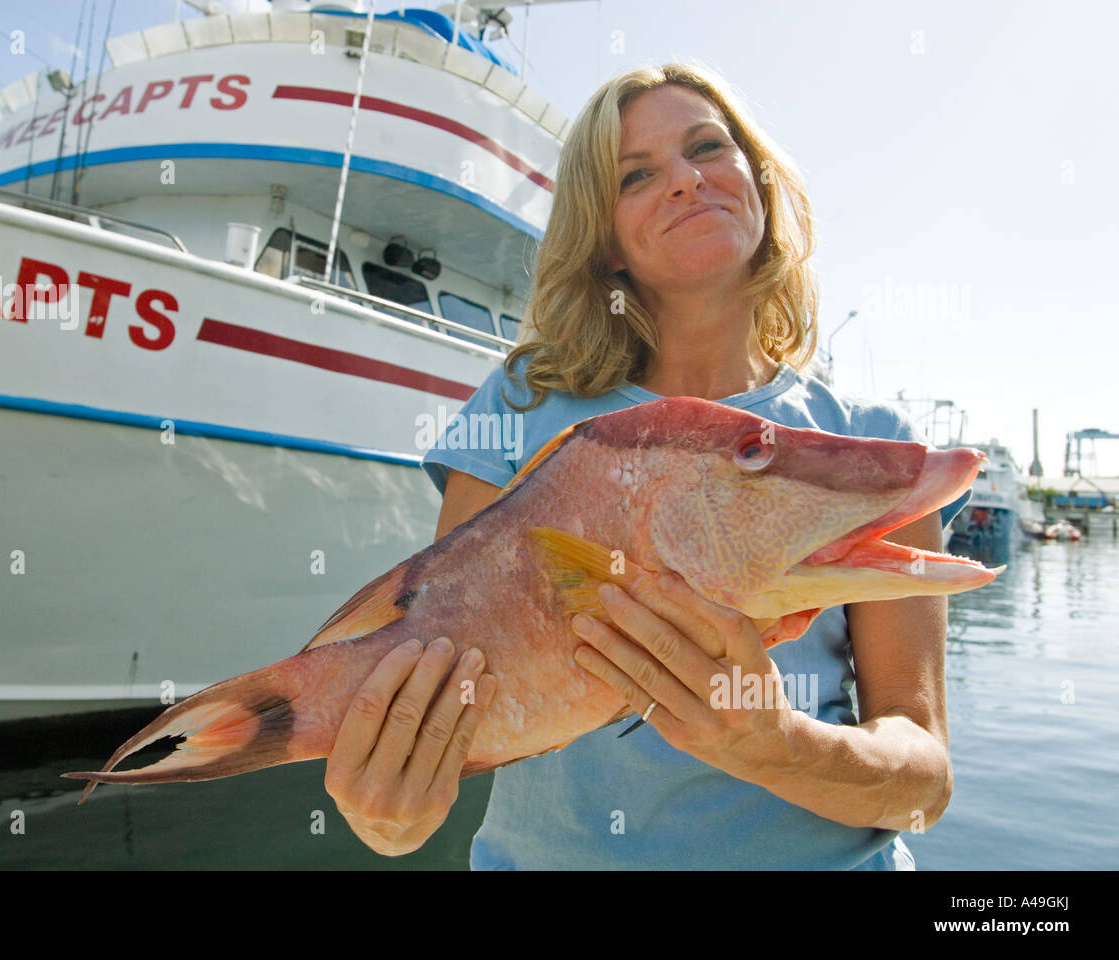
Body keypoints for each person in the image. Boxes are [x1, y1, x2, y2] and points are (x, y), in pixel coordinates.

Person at [324, 62, 969, 868]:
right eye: (637, 175)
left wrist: (774, 743)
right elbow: (445, 670)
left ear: (758, 182)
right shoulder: (520, 406)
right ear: (605, 244)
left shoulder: (869, 450)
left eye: (707, 147)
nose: (686, 181)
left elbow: (923, 784)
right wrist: (392, 818)